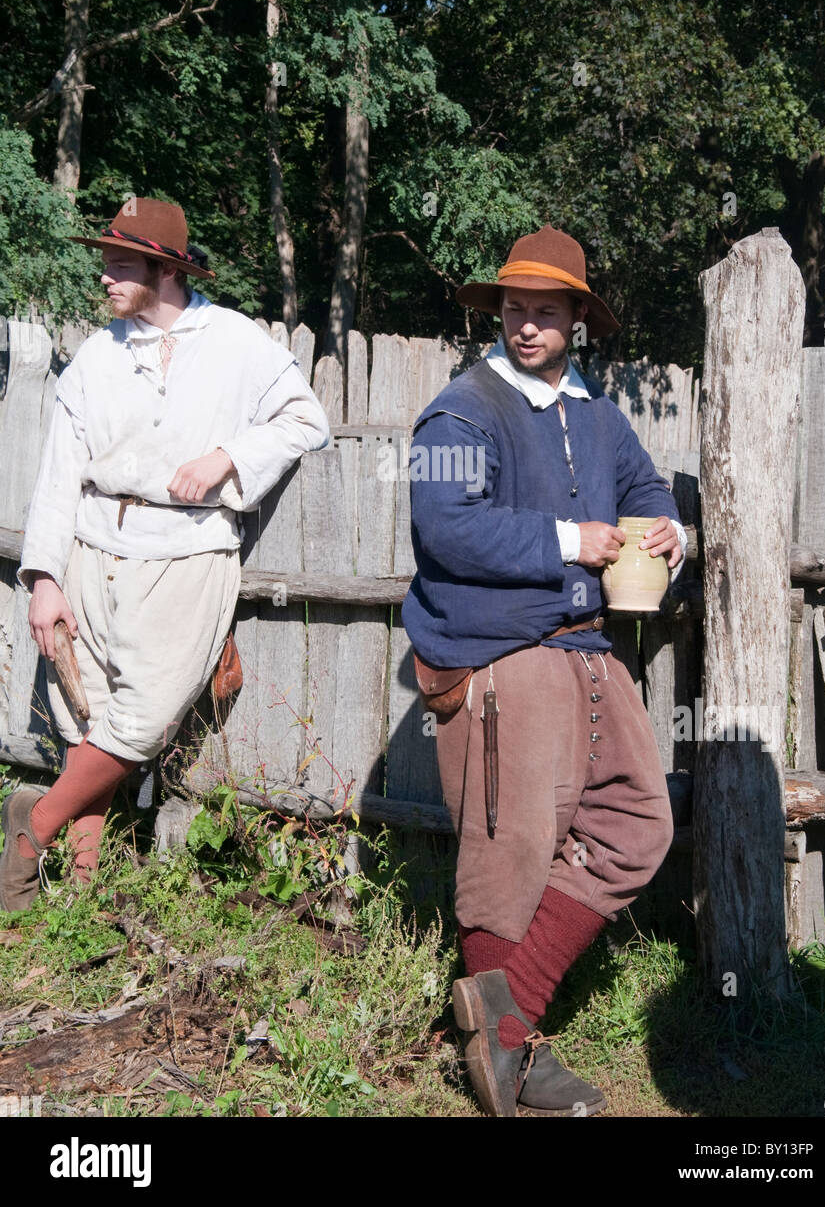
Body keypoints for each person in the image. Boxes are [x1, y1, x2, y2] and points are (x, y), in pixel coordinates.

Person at [402, 224, 686, 1117]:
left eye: (545, 312)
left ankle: (492, 1024)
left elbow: (642, 488)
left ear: (577, 320)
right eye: (514, 310)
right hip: (496, 653)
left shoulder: (596, 415)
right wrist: (572, 541)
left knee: (638, 824)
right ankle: (510, 1059)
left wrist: (666, 530)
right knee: (511, 846)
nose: (526, 326)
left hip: (587, 646)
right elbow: (444, 526)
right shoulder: (459, 409)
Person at [0, 197, 329, 911]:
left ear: (164, 270)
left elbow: (308, 419)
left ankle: (31, 831)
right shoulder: (97, 353)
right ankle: (79, 900)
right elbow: (59, 471)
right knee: (85, 720)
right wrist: (46, 577)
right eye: (107, 263)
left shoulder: (236, 342)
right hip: (91, 545)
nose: (107, 280)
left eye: (122, 265)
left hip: (188, 551)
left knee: (143, 720)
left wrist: (227, 457)